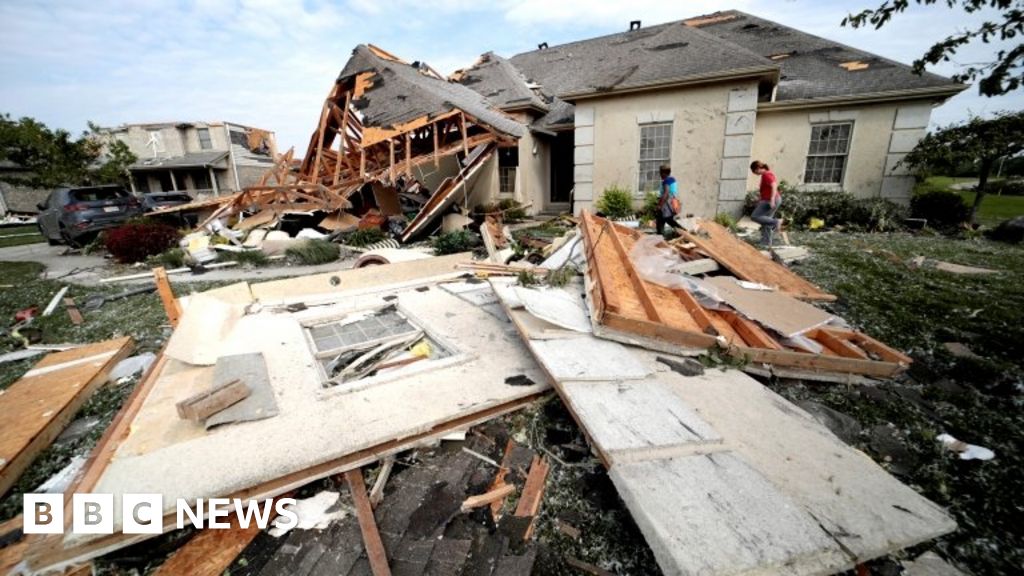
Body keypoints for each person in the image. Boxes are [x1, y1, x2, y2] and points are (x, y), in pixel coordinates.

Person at [749, 160, 783, 246]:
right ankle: (766, 242)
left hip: (770, 200)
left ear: (757, 168)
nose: (754, 173)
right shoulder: (766, 174)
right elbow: (767, 189)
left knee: (755, 216)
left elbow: (774, 185)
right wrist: (760, 199)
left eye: (754, 171)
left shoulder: (766, 174)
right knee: (766, 220)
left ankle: (776, 222)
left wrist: (771, 199)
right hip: (771, 199)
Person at [656, 164, 683, 236]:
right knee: (664, 220)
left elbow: (666, 194)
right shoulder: (672, 179)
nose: (660, 175)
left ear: (664, 173)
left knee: (665, 220)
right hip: (673, 202)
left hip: (667, 204)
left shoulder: (666, 181)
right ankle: (682, 232)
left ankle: (683, 232)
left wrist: (659, 205)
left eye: (660, 173)